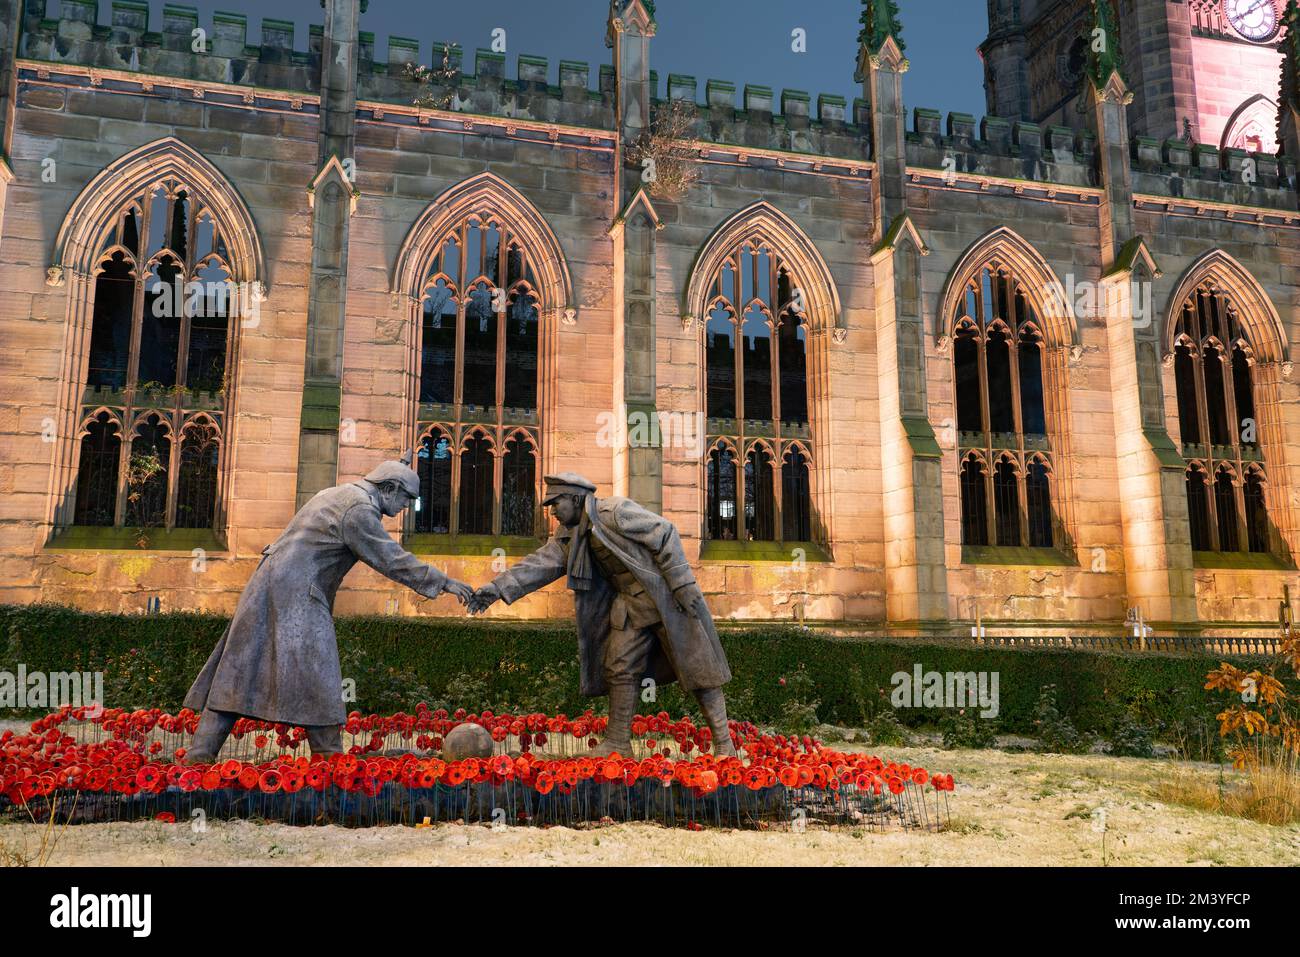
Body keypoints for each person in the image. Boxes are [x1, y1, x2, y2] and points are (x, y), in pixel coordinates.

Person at [182, 450, 472, 763]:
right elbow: (390, 559)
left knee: (240, 668)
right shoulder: (358, 509)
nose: (404, 508)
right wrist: (442, 582)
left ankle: (201, 755)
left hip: (268, 585)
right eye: (405, 499)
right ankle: (330, 761)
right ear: (389, 488)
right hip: (297, 594)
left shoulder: (335, 493)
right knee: (319, 673)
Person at [468, 472, 736, 757]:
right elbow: (539, 564)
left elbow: (665, 532)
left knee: (698, 669)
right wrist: (496, 588)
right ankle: (618, 744)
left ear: (574, 498)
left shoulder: (614, 512)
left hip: (665, 600)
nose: (553, 511)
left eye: (556, 504)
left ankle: (725, 746)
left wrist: (682, 583)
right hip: (629, 606)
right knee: (618, 667)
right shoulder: (570, 535)